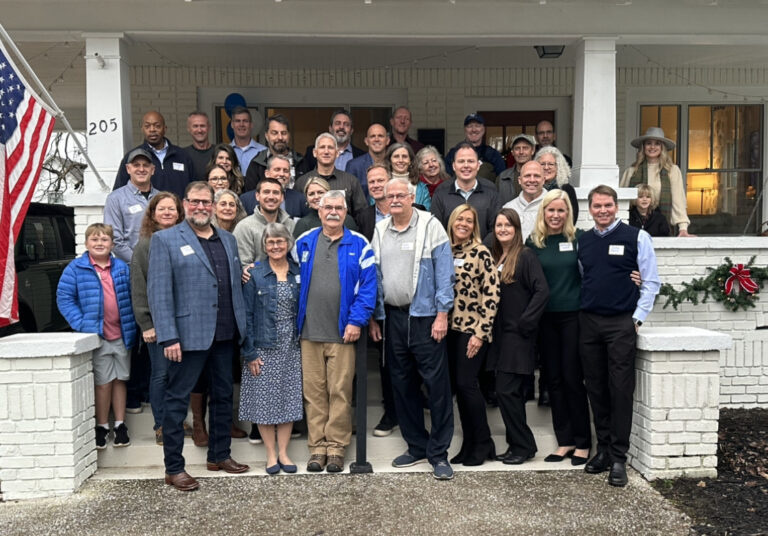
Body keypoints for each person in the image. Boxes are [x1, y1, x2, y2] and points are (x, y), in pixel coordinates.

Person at [148, 181, 250, 491]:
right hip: (186, 336)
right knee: (177, 402)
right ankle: (173, 468)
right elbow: (159, 291)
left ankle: (219, 455)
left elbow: (233, 287)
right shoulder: (165, 240)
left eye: (207, 202)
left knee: (222, 397)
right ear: (185, 204)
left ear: (214, 205)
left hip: (224, 333)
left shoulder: (228, 240)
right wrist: (168, 336)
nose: (201, 207)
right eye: (195, 202)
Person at [369, 177, 456, 480]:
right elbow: (375, 276)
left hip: (426, 317)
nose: (394, 199)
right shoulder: (380, 229)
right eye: (389, 195)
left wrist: (442, 313)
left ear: (411, 197)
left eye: (400, 195)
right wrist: (374, 317)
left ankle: (439, 454)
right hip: (393, 317)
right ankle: (417, 445)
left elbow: (445, 273)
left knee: (436, 386)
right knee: (401, 384)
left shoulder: (430, 225)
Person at [579, 184, 660, 487]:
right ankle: (602, 450)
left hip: (621, 325)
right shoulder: (584, 241)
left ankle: (618, 458)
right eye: (597, 206)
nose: (603, 211)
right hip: (589, 323)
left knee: (620, 390)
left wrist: (636, 320)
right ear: (590, 209)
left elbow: (651, 282)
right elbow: (584, 277)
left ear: (616, 206)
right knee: (596, 388)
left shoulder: (637, 237)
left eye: (608, 205)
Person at [295, 190, 377, 473]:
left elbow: (369, 288)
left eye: (338, 208)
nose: (332, 212)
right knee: (314, 392)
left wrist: (356, 321)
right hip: (308, 333)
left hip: (343, 333)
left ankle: (336, 448)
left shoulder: (360, 244)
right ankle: (317, 448)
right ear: (318, 210)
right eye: (327, 207)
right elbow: (284, 272)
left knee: (340, 391)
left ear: (345, 212)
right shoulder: (304, 243)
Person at [57, 223, 137, 450]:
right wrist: (82, 324)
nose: (100, 243)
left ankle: (120, 425)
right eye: (95, 240)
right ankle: (102, 425)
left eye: (104, 240)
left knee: (121, 378)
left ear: (112, 244)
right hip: (97, 335)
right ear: (86, 244)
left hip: (122, 333)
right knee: (103, 382)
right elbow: (64, 298)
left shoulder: (121, 267)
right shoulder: (76, 269)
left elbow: (132, 296)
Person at [526, 190, 591, 466]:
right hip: (546, 320)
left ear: (568, 213)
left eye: (560, 211)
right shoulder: (534, 242)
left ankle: (583, 443)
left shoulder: (579, 239)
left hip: (573, 318)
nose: (555, 216)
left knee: (572, 379)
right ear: (543, 212)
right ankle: (564, 441)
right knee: (553, 381)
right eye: (550, 210)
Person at [240, 223, 303, 475]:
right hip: (263, 344)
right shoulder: (254, 274)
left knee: (288, 399)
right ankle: (270, 454)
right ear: (264, 246)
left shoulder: (298, 271)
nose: (275, 246)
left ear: (288, 244)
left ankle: (285, 452)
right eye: (270, 242)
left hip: (292, 344)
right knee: (264, 402)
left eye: (280, 241)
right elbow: (246, 315)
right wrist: (250, 352)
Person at [488, 209, 549, 465]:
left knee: (507, 391)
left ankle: (524, 445)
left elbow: (542, 291)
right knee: (505, 393)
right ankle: (518, 444)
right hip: (500, 337)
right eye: (499, 224)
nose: (503, 229)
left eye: (507, 225)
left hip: (517, 336)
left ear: (516, 229)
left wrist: (526, 322)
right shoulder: (495, 257)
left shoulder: (525, 256)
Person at [445, 204, 500, 466]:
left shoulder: (481, 252)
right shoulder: (446, 251)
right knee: (461, 389)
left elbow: (492, 295)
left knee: (468, 385)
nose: (464, 223)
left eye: (469, 220)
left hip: (473, 331)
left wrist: (480, 333)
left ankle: (483, 442)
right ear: (453, 221)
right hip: (450, 331)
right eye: (460, 219)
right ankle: (469, 444)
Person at [130, 193, 185, 445]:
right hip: (156, 323)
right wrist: (146, 323)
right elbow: (139, 286)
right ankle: (161, 424)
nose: (166, 213)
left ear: (179, 213)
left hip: (184, 322)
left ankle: (176, 419)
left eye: (171, 209)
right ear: (153, 214)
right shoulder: (145, 245)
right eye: (161, 209)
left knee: (179, 375)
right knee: (161, 375)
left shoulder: (186, 240)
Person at [620, 127, 692, 237]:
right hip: (634, 226)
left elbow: (679, 201)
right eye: (649, 143)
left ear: (662, 147)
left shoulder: (672, 171)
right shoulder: (632, 171)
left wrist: (683, 228)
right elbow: (621, 202)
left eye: (657, 144)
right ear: (643, 147)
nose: (652, 147)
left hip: (661, 226)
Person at [113, 111, 195, 199]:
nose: (152, 129)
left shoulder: (182, 156)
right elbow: (118, 193)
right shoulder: (132, 157)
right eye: (147, 126)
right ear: (142, 129)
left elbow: (195, 189)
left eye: (157, 126)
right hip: (145, 211)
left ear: (165, 128)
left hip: (178, 211)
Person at [431, 143, 501, 239]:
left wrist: (480, 250)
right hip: (450, 252)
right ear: (454, 166)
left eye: (471, 161)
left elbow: (496, 228)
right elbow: (436, 230)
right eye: (461, 161)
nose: (466, 165)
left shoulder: (491, 191)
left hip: (483, 251)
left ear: (478, 165)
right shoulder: (441, 192)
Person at [104, 148, 159, 263]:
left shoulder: (162, 198)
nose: (141, 169)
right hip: (130, 267)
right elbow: (115, 239)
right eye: (136, 165)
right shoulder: (115, 199)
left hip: (160, 264)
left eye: (146, 165)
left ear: (152, 170)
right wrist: (140, 262)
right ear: (128, 169)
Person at [294, 133, 366, 217]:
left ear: (337, 153)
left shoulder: (350, 181)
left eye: (330, 148)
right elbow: (296, 213)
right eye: (322, 147)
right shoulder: (302, 182)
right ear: (314, 152)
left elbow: (362, 214)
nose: (326, 151)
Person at [234, 177, 296, 266]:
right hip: (256, 278)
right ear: (257, 196)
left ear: (282, 197)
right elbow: (243, 265)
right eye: (266, 192)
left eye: (276, 193)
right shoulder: (244, 227)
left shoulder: (290, 224)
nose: (271, 197)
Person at [244, 114, 310, 191]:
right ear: (266, 136)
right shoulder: (257, 163)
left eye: (284, 133)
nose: (280, 137)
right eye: (274, 133)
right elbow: (251, 195)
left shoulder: (301, 162)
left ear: (289, 135)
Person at [241, 155, 309, 218]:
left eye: (285, 171)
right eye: (277, 169)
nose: (282, 174)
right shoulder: (246, 199)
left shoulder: (300, 199)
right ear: (267, 173)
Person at [445, 114, 506, 181]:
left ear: (483, 129)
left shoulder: (493, 155)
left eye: (477, 126)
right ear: (465, 130)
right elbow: (446, 178)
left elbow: (502, 180)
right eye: (470, 126)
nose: (474, 130)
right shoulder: (453, 154)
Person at [292, 176, 357, 238]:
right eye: (311, 194)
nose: (316, 197)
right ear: (306, 198)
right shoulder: (302, 224)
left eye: (320, 192)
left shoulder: (346, 220)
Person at [503, 160, 546, 241]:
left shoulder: (553, 205)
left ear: (543, 180)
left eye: (536, 176)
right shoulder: (508, 208)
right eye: (527, 176)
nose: (532, 180)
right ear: (519, 180)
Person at [535, 146, 579, 223]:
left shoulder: (566, 189)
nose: (546, 167)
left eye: (551, 164)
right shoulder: (531, 188)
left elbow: (572, 219)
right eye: (542, 164)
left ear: (558, 167)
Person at [346, 123, 391, 196]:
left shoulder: (393, 163)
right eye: (372, 136)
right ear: (366, 141)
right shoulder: (353, 165)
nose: (376, 139)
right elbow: (349, 195)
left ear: (387, 140)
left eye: (380, 136)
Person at [387, 142, 431, 210]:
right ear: (390, 160)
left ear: (410, 161)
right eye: (396, 156)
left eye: (404, 156)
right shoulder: (381, 184)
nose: (400, 160)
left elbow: (427, 214)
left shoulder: (422, 188)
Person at [497, 134, 536, 204]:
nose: (521, 152)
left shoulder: (540, 175)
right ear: (512, 152)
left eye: (525, 148)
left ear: (532, 151)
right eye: (517, 148)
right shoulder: (502, 177)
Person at [229, 106, 266, 175]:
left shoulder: (263, 151)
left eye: (245, 121)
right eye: (237, 121)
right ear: (232, 124)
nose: (241, 124)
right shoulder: (225, 152)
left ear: (251, 125)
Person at [184, 111, 214, 180]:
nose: (199, 130)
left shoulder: (219, 153)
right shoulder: (183, 154)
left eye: (202, 126)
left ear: (209, 127)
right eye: (195, 126)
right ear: (189, 129)